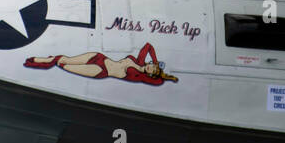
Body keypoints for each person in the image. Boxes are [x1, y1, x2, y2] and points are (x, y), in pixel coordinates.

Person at [24, 43, 178, 85]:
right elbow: (148, 46)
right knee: (65, 59)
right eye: (152, 64)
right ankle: (39, 60)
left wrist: (166, 76)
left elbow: (157, 81)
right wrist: (157, 61)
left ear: (150, 73)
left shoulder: (139, 76)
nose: (151, 66)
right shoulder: (139, 61)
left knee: (62, 64)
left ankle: (38, 61)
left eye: (152, 68)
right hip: (100, 58)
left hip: (100, 70)